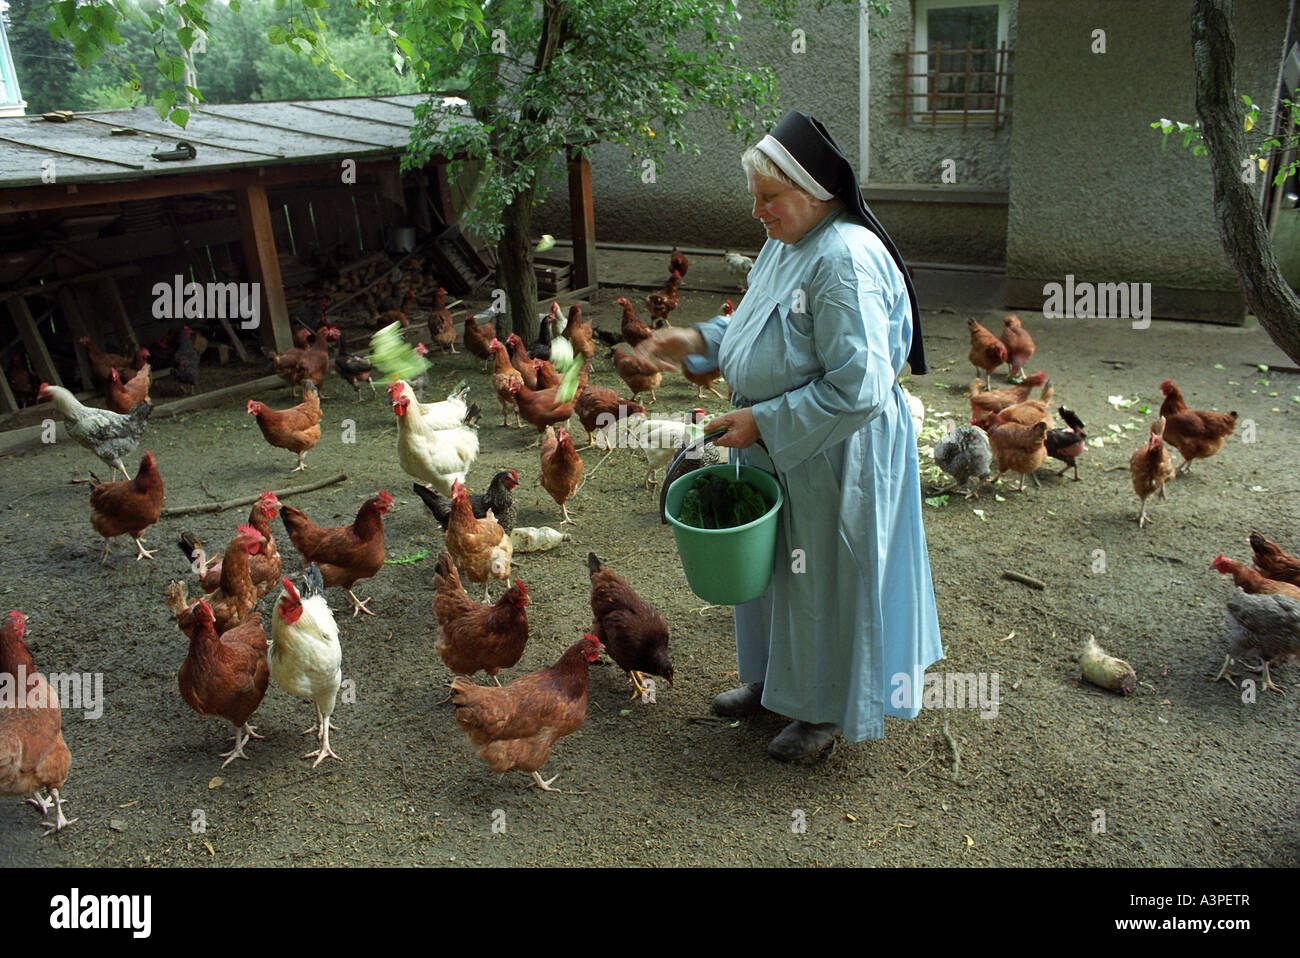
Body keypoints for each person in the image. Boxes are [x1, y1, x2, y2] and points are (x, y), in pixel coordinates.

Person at [637, 110, 943, 761]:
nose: (757, 213)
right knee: (779, 568)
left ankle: (824, 712)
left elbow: (858, 387)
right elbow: (749, 327)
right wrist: (693, 342)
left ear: (812, 191)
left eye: (768, 199)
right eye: (756, 198)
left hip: (839, 453)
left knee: (824, 576)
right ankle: (776, 684)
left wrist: (763, 421)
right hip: (783, 447)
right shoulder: (787, 243)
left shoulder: (844, 263)